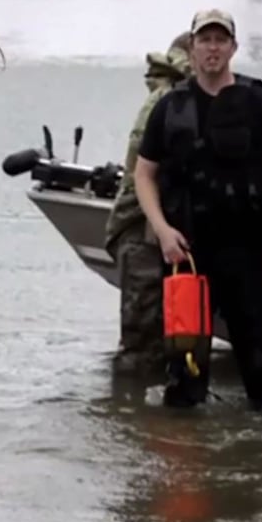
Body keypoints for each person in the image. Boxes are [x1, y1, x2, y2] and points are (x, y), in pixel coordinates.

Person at [133, 8, 262, 411]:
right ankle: (188, 459)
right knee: (186, 369)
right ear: (192, 48)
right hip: (189, 254)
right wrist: (161, 229)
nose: (212, 48)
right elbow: (143, 175)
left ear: (233, 47)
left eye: (220, 40)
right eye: (204, 40)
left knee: (261, 371)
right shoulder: (169, 108)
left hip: (250, 250)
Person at [104, 32, 192, 377]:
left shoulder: (179, 99)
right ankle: (131, 415)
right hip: (142, 232)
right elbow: (144, 173)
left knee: (173, 336)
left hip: (162, 231)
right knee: (142, 343)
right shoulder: (165, 102)